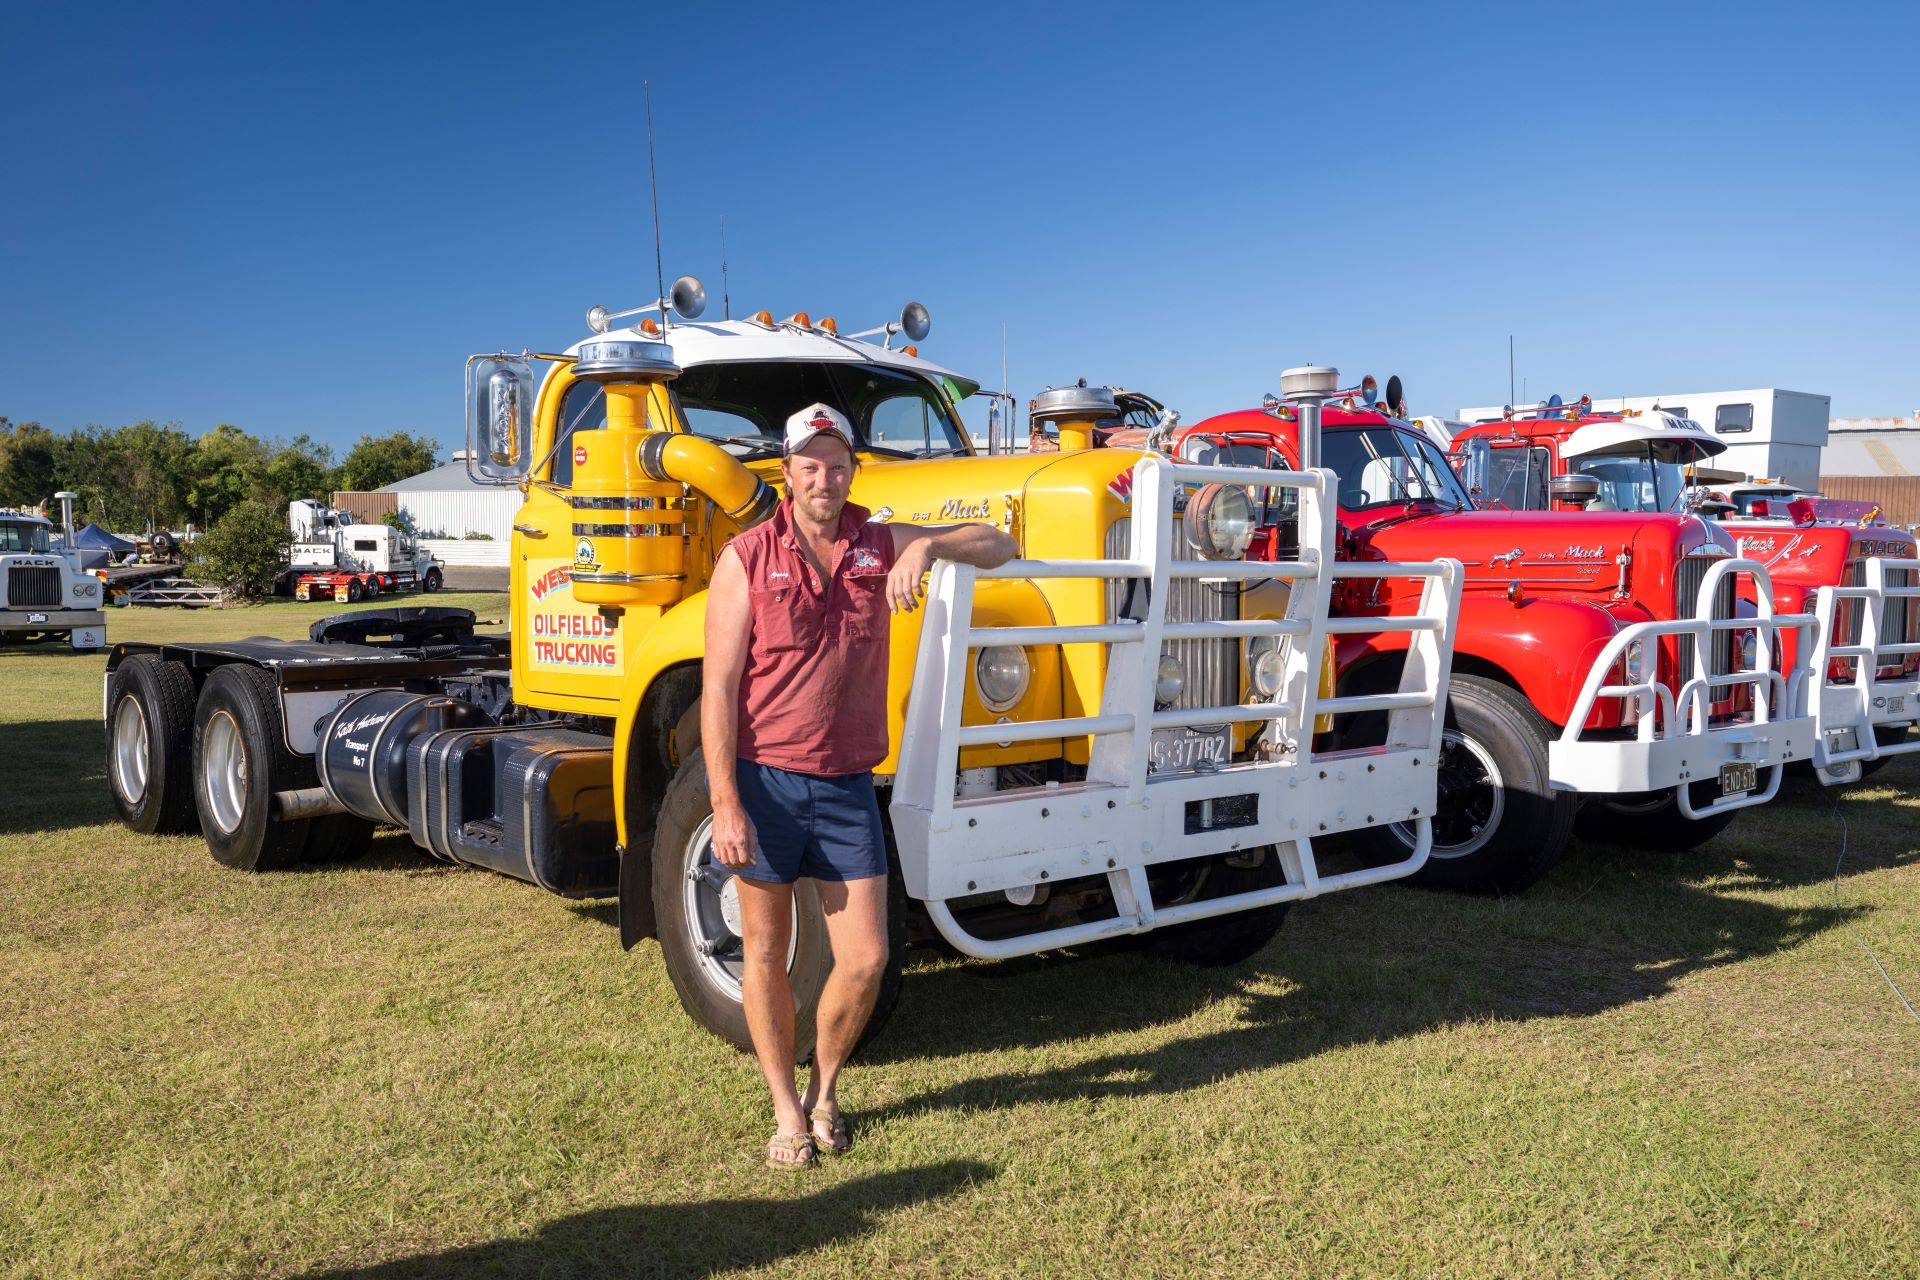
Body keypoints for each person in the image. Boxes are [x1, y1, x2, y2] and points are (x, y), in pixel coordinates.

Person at [702, 402, 1017, 1169]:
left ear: (851, 471)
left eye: (837, 464)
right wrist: (725, 802)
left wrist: (932, 546)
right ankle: (784, 1109)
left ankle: (825, 1088)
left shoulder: (879, 543)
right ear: (786, 473)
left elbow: (1001, 543)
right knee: (767, 954)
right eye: (811, 464)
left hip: (847, 787)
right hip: (765, 782)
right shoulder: (745, 558)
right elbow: (717, 690)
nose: (825, 477)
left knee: (869, 957)